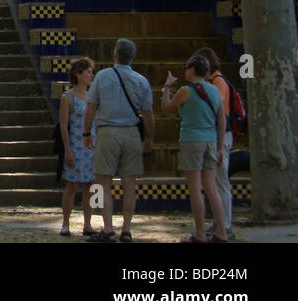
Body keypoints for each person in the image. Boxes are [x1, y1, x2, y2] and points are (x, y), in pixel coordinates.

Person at [83, 39, 154, 242]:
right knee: (129, 183)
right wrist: (150, 137)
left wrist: (87, 132)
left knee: (103, 181)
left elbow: (91, 107)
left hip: (107, 132)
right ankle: (127, 229)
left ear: (115, 54)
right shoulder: (141, 80)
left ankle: (107, 227)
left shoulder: (102, 77)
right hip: (131, 133)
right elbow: (148, 113)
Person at [161, 53, 229, 243]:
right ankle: (221, 231)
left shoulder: (186, 91)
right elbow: (222, 120)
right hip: (210, 140)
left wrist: (166, 87)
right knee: (211, 188)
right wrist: (220, 146)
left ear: (192, 69)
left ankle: (200, 233)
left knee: (195, 189)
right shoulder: (215, 90)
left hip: (192, 140)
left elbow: (166, 108)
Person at [193, 46, 236, 238]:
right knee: (216, 182)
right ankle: (220, 222)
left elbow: (219, 113)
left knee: (220, 182)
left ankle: (225, 224)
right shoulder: (216, 81)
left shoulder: (218, 83)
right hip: (215, 136)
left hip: (220, 136)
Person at [59, 56, 97, 236]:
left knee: (91, 186)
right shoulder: (68, 97)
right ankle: (65, 222)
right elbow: (64, 126)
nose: (91, 75)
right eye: (88, 72)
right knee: (72, 186)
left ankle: (88, 224)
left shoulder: (93, 97)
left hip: (92, 145)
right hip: (75, 144)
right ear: (78, 74)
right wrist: (68, 150)